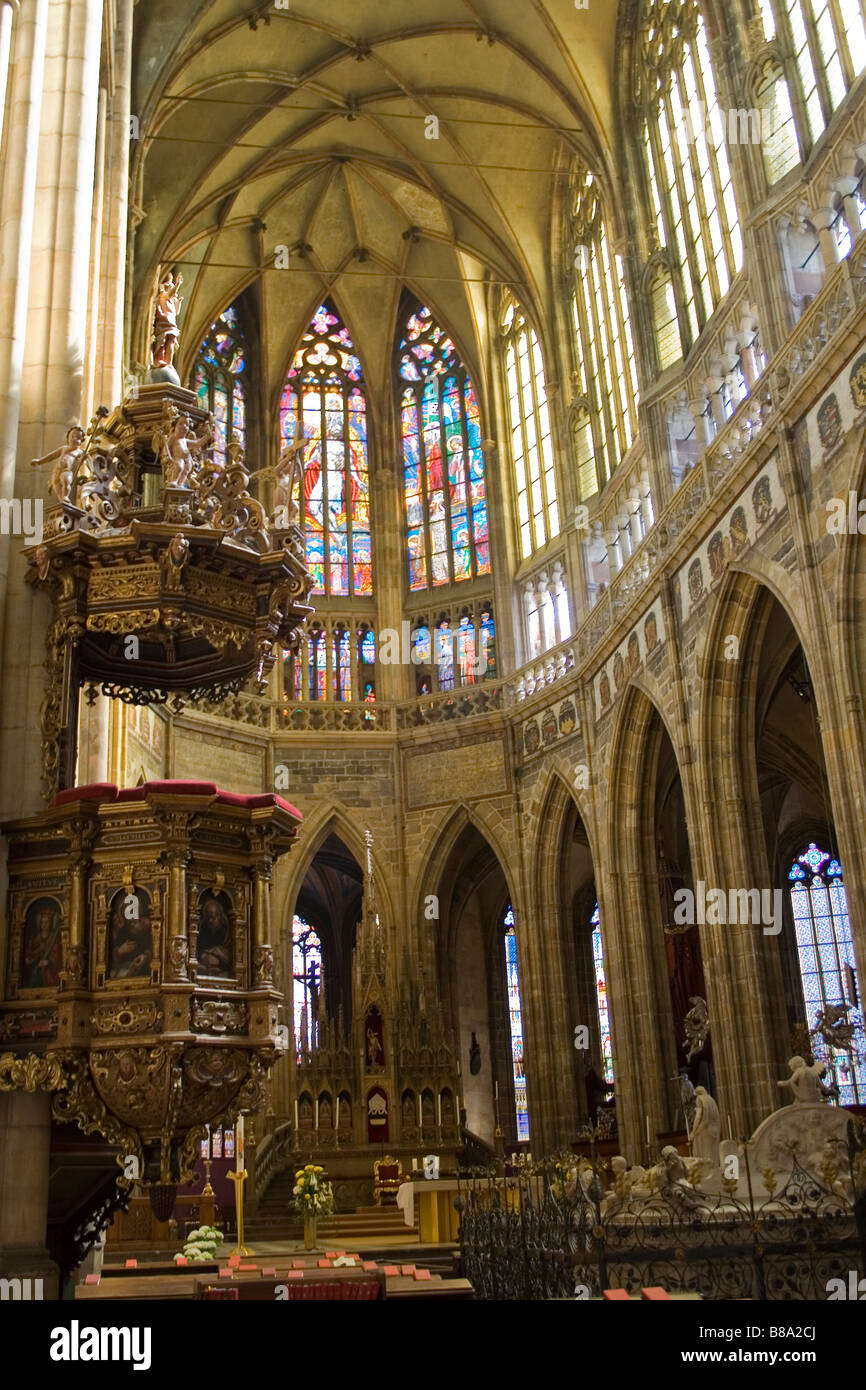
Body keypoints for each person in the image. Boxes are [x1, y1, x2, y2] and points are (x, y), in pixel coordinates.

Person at [22, 904, 63, 988]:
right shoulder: (34, 939)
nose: (44, 925)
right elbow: (27, 960)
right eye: (42, 922)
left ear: (51, 923)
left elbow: (58, 958)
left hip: (50, 975)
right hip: (35, 973)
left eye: (46, 922)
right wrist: (38, 951)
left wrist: (48, 962)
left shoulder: (54, 939)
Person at [197, 896, 233, 976]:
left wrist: (218, 953)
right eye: (208, 917)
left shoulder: (225, 930)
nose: (210, 921)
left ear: (219, 916)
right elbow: (198, 949)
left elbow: (229, 954)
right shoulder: (203, 928)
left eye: (213, 918)